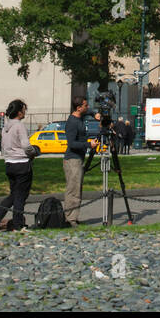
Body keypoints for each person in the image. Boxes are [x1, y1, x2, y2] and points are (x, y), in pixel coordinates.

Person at [0, 100, 34, 232]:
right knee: (20, 196)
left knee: (13, 195)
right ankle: (18, 225)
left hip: (9, 163)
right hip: (22, 163)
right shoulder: (19, 126)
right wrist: (33, 152)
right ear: (19, 112)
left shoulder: (6, 127)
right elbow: (26, 145)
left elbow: (4, 145)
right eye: (24, 110)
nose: (25, 112)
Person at [63, 96, 93, 227]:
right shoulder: (72, 122)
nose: (87, 107)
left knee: (77, 189)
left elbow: (89, 112)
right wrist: (88, 144)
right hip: (72, 160)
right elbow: (72, 143)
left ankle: (73, 216)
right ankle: (70, 219)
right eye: (85, 105)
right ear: (78, 107)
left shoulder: (80, 118)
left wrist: (95, 114)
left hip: (78, 159)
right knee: (73, 190)